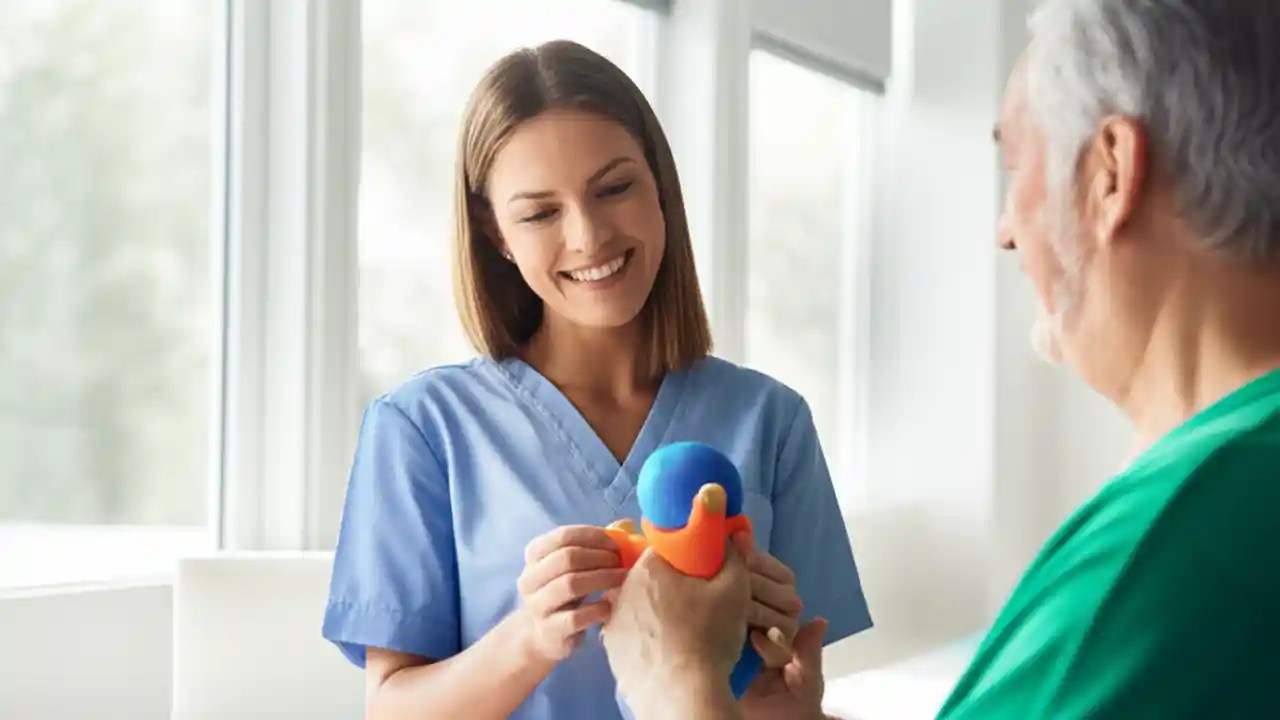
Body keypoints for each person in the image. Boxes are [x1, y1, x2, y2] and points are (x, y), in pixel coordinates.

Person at [603, 0, 1280, 717]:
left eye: (1017, 164)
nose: (1006, 230)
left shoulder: (1180, 536)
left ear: (1109, 172)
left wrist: (675, 681)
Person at [321, 39, 872, 720]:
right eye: (540, 212)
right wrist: (530, 638)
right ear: (496, 234)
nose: (588, 236)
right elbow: (390, 711)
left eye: (614, 189)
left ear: (660, 189)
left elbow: (791, 701)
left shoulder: (772, 421)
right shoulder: (422, 429)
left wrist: (784, 705)